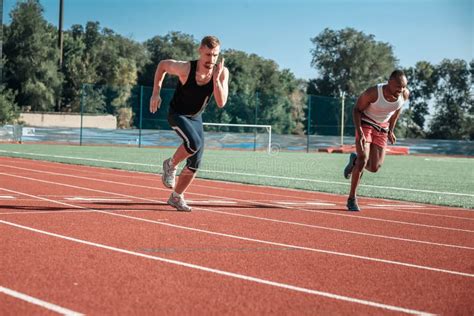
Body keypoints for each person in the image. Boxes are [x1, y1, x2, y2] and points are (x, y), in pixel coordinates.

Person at [149, 35, 229, 212]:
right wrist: (156, 92)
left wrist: (215, 80)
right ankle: (170, 165)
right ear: (200, 50)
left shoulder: (222, 72)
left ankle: (176, 197)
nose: (211, 59)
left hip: (195, 117)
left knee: (195, 161)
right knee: (193, 143)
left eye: (215, 55)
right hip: (177, 113)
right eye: (208, 54)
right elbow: (162, 65)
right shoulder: (185, 68)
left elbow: (221, 102)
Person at [343, 70, 409, 211]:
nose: (401, 89)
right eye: (398, 86)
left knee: (374, 167)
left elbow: (396, 111)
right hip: (366, 123)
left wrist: (391, 130)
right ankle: (352, 199)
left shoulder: (404, 94)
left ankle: (354, 161)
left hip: (382, 129)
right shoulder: (374, 92)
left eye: (403, 86)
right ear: (389, 82)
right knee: (363, 159)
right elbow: (356, 110)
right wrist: (360, 131)